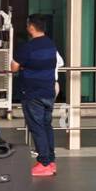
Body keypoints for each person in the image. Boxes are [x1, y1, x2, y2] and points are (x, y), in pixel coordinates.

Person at [12, 14, 61, 177]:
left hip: (33, 94)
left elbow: (14, 67)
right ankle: (51, 162)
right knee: (47, 126)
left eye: (27, 25)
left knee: (37, 127)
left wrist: (23, 67)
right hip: (48, 92)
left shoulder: (28, 47)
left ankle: (44, 163)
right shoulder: (51, 45)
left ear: (31, 27)